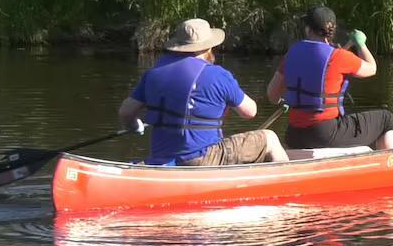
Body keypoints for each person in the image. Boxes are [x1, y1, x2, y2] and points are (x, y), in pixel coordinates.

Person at [119, 18, 289, 166]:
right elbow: (250, 112)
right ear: (208, 48)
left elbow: (126, 112)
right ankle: (288, 184)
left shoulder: (153, 74)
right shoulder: (218, 75)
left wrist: (135, 126)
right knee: (270, 138)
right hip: (202, 158)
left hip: (160, 157)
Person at [266, 6, 393, 150]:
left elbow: (272, 96)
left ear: (308, 29)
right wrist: (361, 45)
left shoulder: (291, 54)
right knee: (386, 119)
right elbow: (372, 68)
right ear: (332, 31)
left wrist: (287, 101)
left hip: (293, 135)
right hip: (325, 134)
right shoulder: (339, 56)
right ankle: (388, 163)